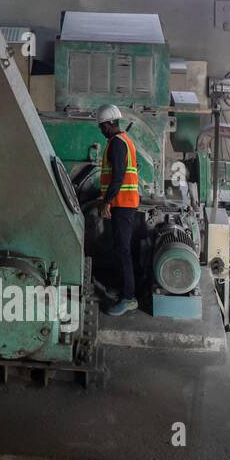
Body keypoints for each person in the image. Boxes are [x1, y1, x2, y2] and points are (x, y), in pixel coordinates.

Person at [96, 104, 140, 315]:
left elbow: (118, 176)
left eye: (102, 126)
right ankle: (122, 288)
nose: (101, 130)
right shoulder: (123, 141)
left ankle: (129, 297)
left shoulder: (116, 143)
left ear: (109, 124)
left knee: (123, 250)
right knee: (119, 248)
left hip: (122, 204)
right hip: (123, 203)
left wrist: (107, 201)